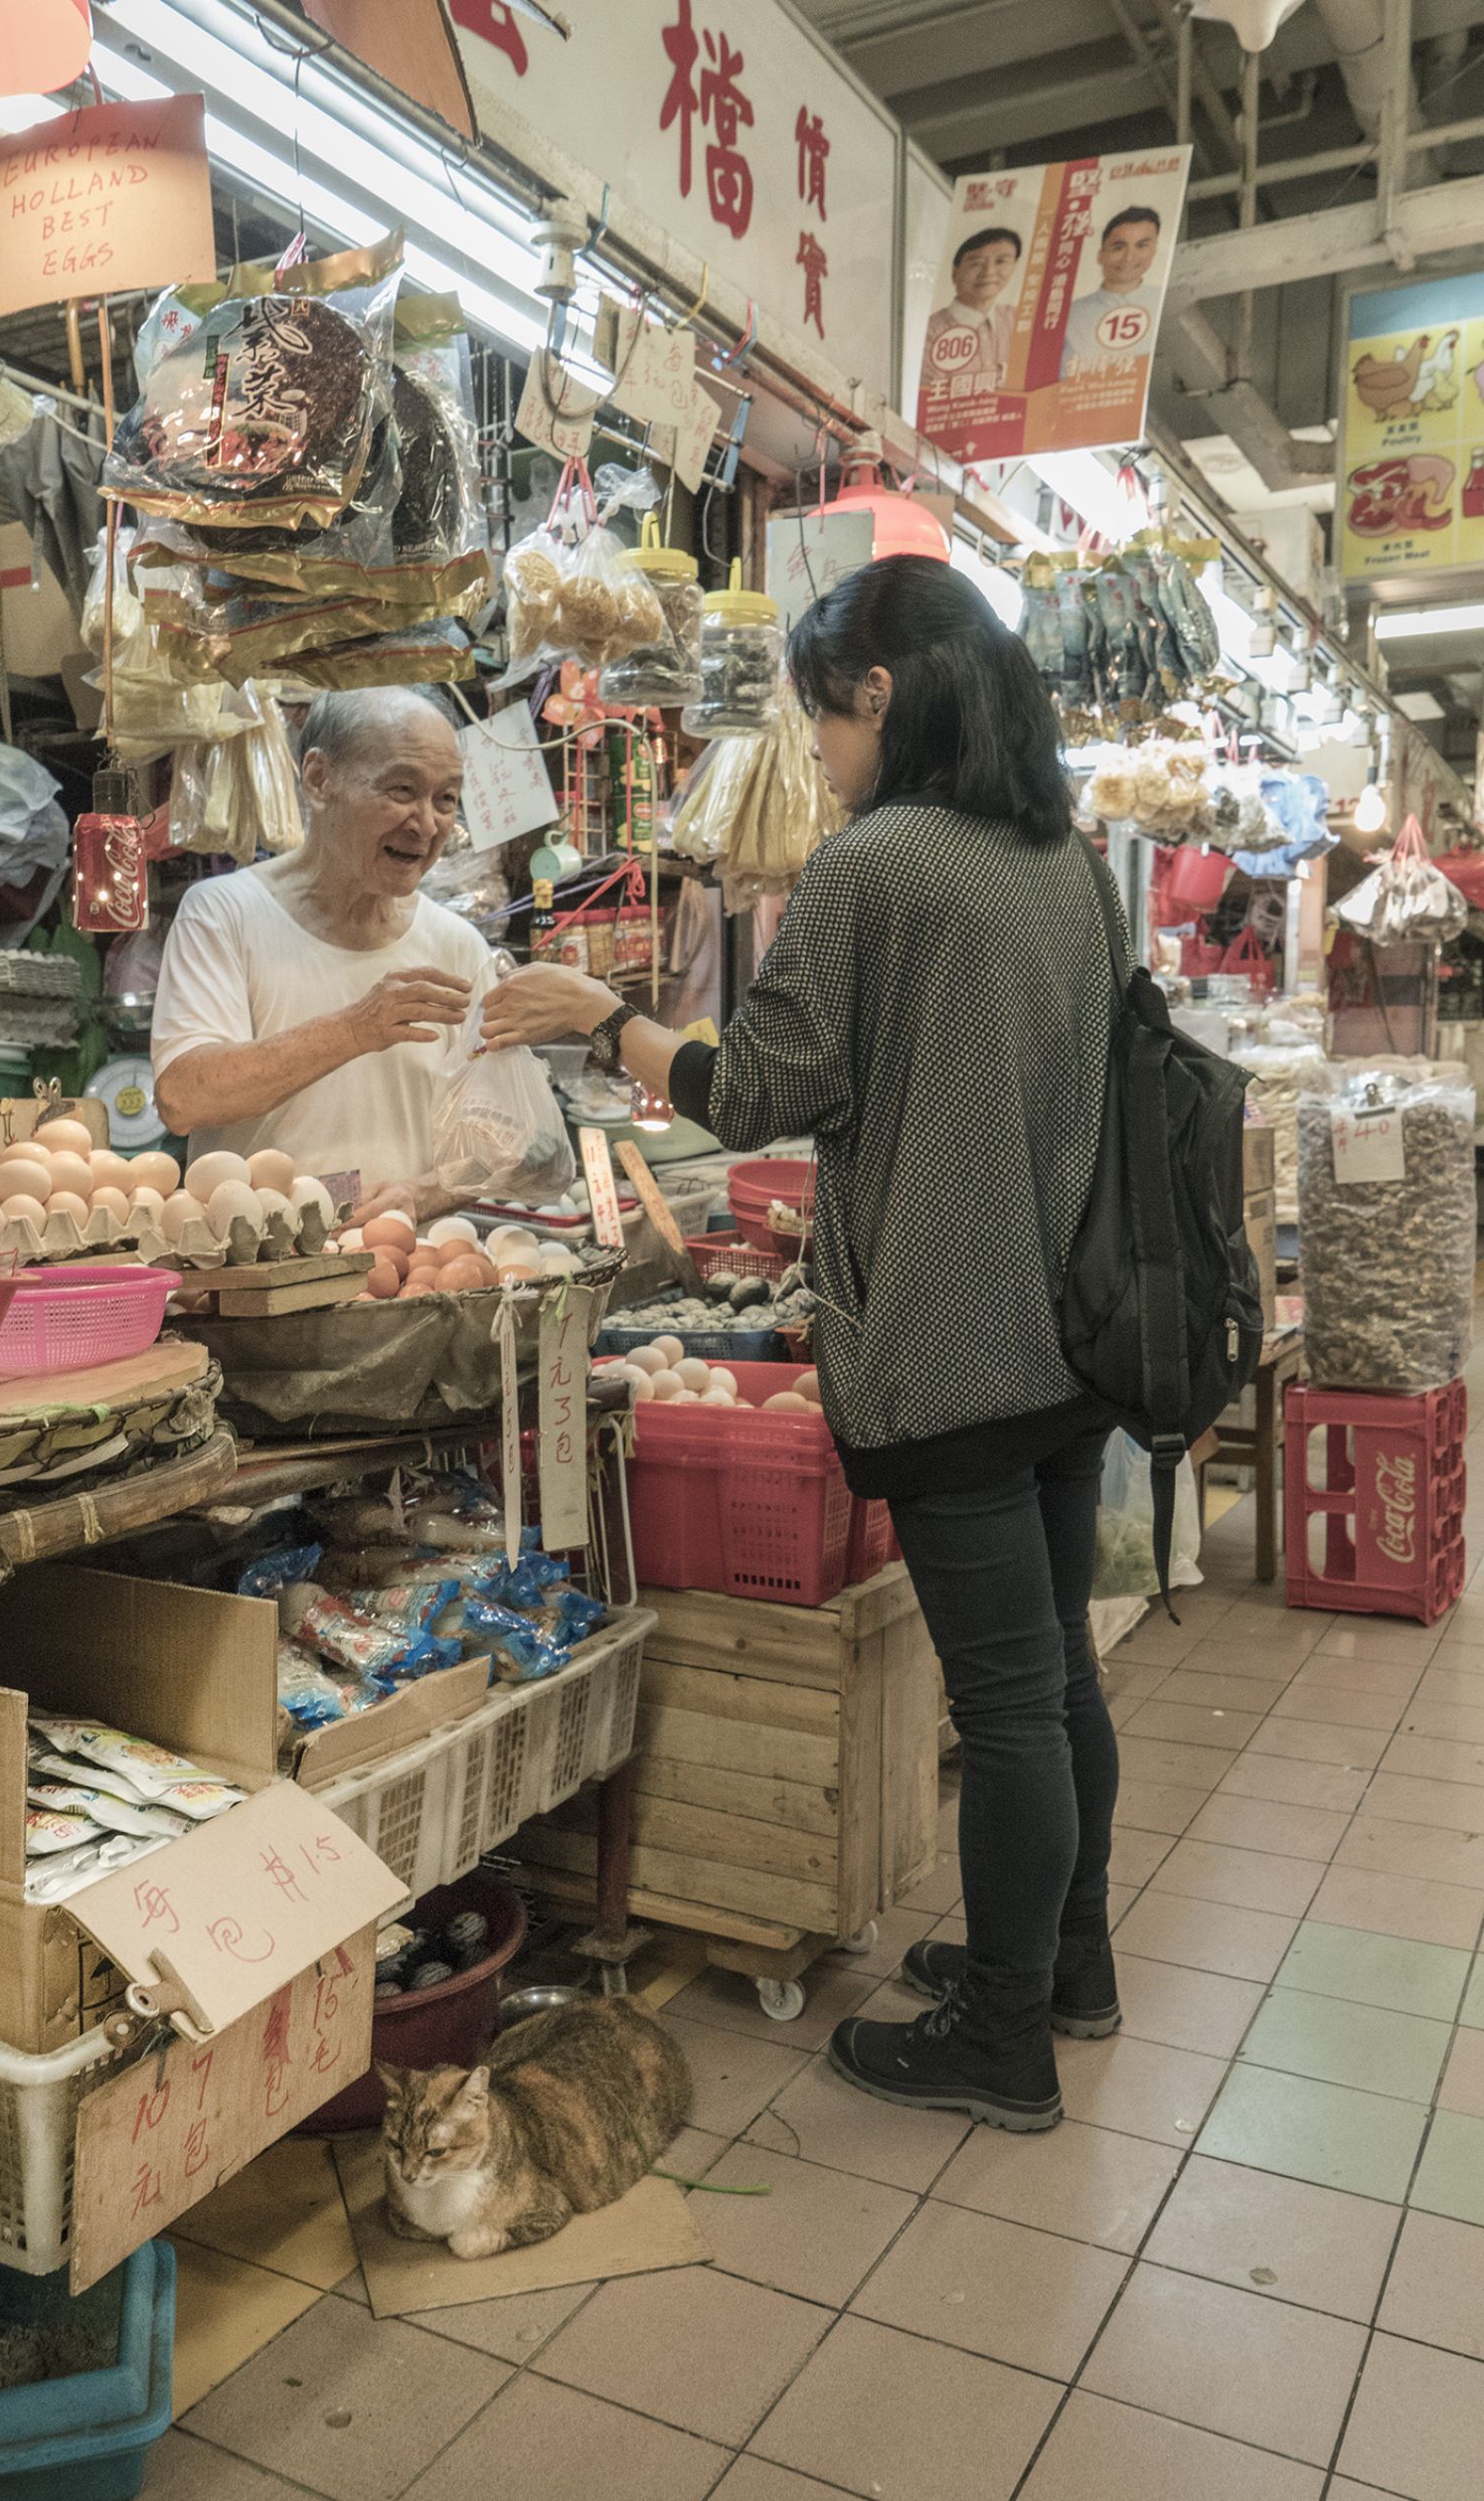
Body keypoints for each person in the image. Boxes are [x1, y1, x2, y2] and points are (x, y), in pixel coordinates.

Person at [480, 555, 1122, 2134]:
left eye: (819, 722)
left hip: (951, 1340)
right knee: (1054, 1680)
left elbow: (753, 1093)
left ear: (880, 696)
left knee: (1013, 1702)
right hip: (1073, 1326)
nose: (817, 757)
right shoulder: (1065, 863)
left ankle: (1005, 2036)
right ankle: (1071, 1964)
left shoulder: (875, 866)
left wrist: (596, 1015)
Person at [152, 685, 493, 1225]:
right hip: (264, 1282)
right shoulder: (224, 913)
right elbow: (184, 1098)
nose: (427, 824)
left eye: (446, 799)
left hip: (409, 1279)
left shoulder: (458, 946)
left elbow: (502, 1136)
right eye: (402, 790)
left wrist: (423, 1195)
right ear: (318, 779)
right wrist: (357, 1027)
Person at [920, 227, 1023, 394]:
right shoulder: (929, 333)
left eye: (1001, 262)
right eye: (976, 263)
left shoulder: (1019, 319)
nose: (989, 272)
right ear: (955, 272)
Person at [1063, 203, 1162, 375]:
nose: (1129, 257)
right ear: (1101, 255)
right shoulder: (1071, 314)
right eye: (1119, 247)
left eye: (1141, 246)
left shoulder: (1162, 298)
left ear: (1154, 249)